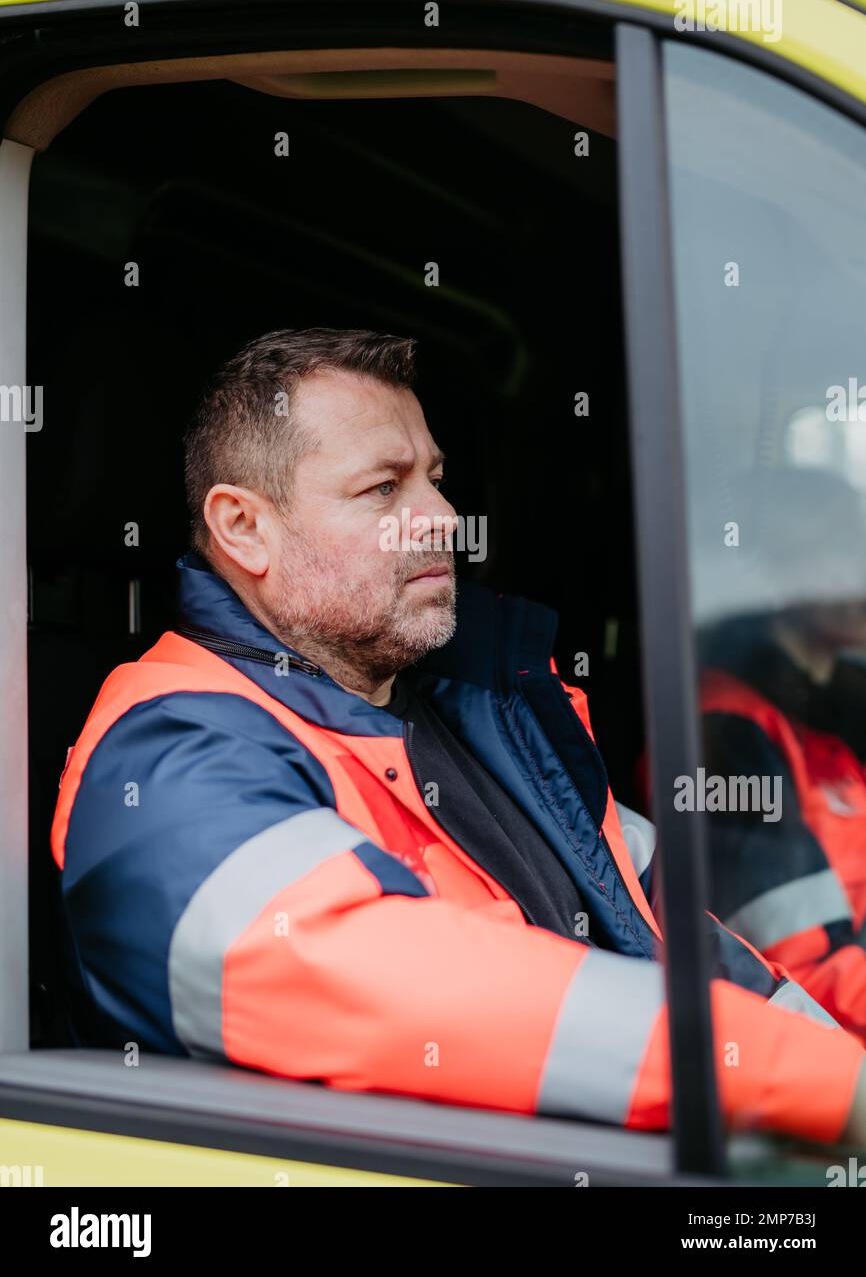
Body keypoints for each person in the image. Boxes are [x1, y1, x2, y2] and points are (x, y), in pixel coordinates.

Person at [52, 330, 866, 1145]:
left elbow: (689, 948)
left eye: (436, 480)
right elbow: (393, 988)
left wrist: (836, 1074)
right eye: (382, 489)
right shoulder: (165, 751)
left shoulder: (492, 720)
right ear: (244, 529)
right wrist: (825, 1091)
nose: (443, 517)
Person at [700, 466, 866, 1047]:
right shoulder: (727, 732)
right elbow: (800, 974)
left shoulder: (838, 703)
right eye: (843, 546)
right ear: (784, 571)